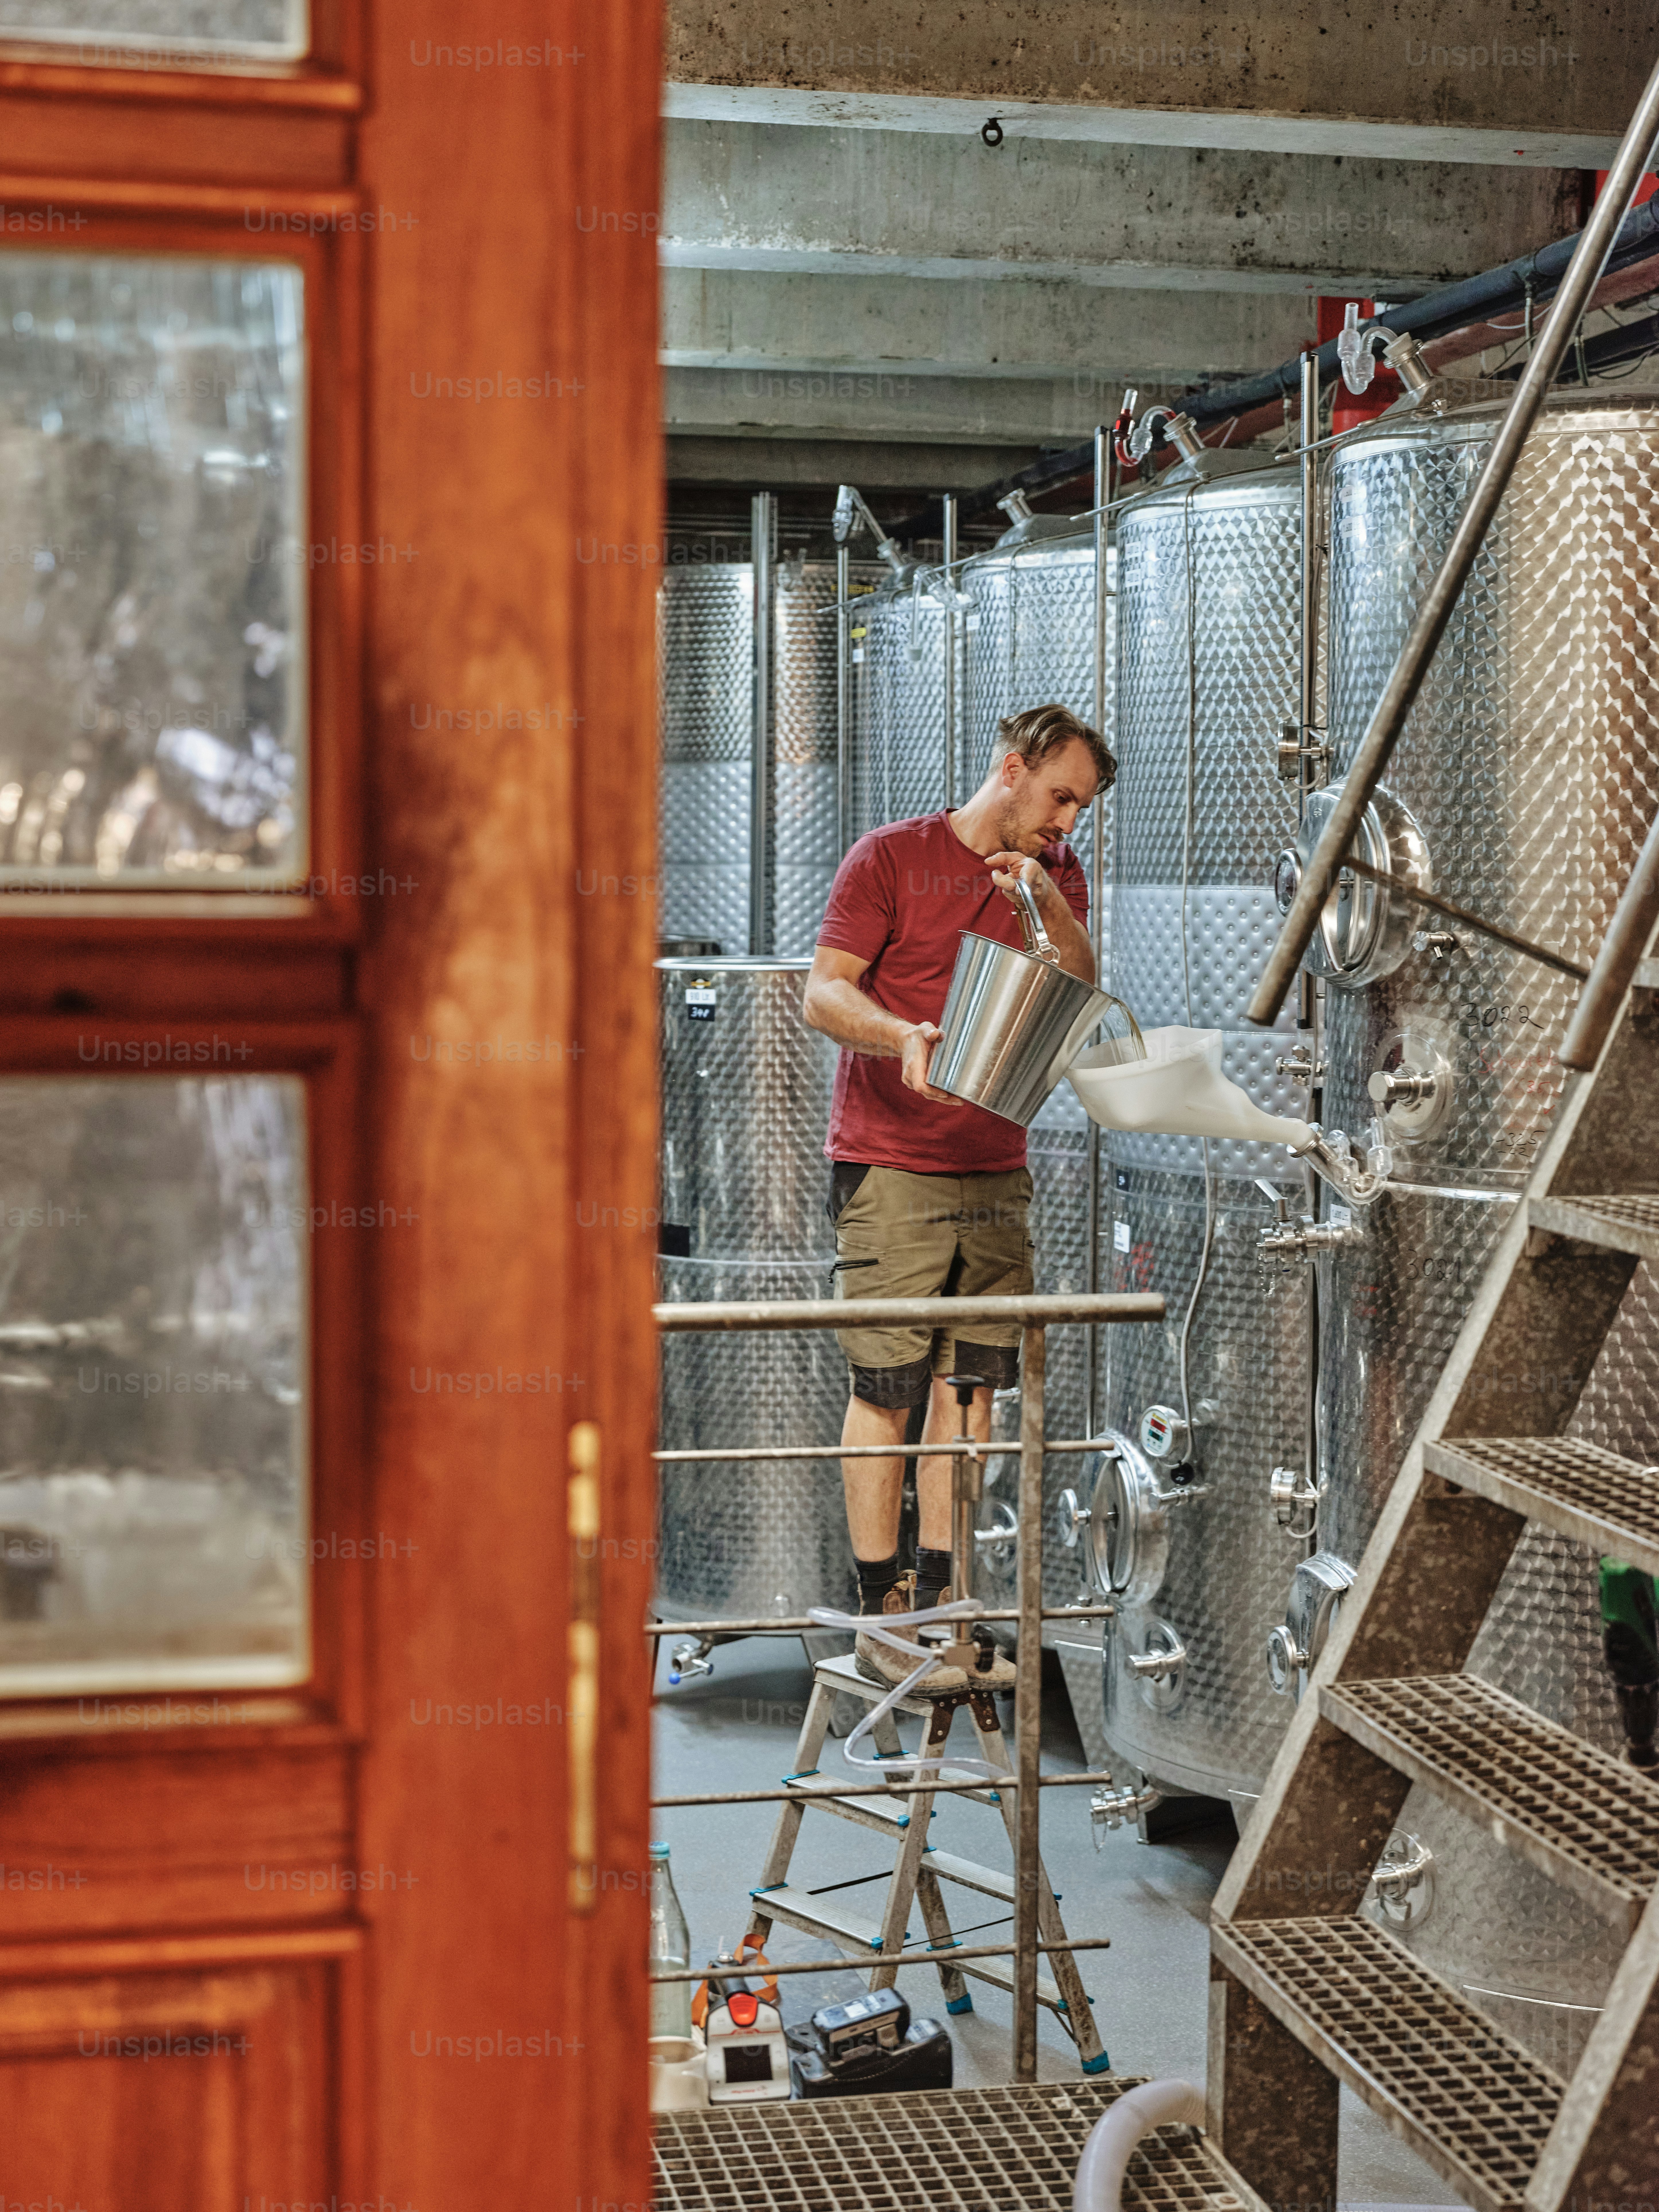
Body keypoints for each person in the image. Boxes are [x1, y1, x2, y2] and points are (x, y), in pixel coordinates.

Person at [803, 702, 1115, 1688]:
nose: (1068, 822)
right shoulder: (890, 858)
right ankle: (878, 1606)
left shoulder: (1052, 875)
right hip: (891, 1163)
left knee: (967, 1386)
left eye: (1082, 807)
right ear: (1012, 769)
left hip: (995, 1162)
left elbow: (1077, 980)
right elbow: (824, 992)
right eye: (1060, 797)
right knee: (888, 1387)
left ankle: (944, 1601)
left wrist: (1050, 900)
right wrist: (901, 1036)